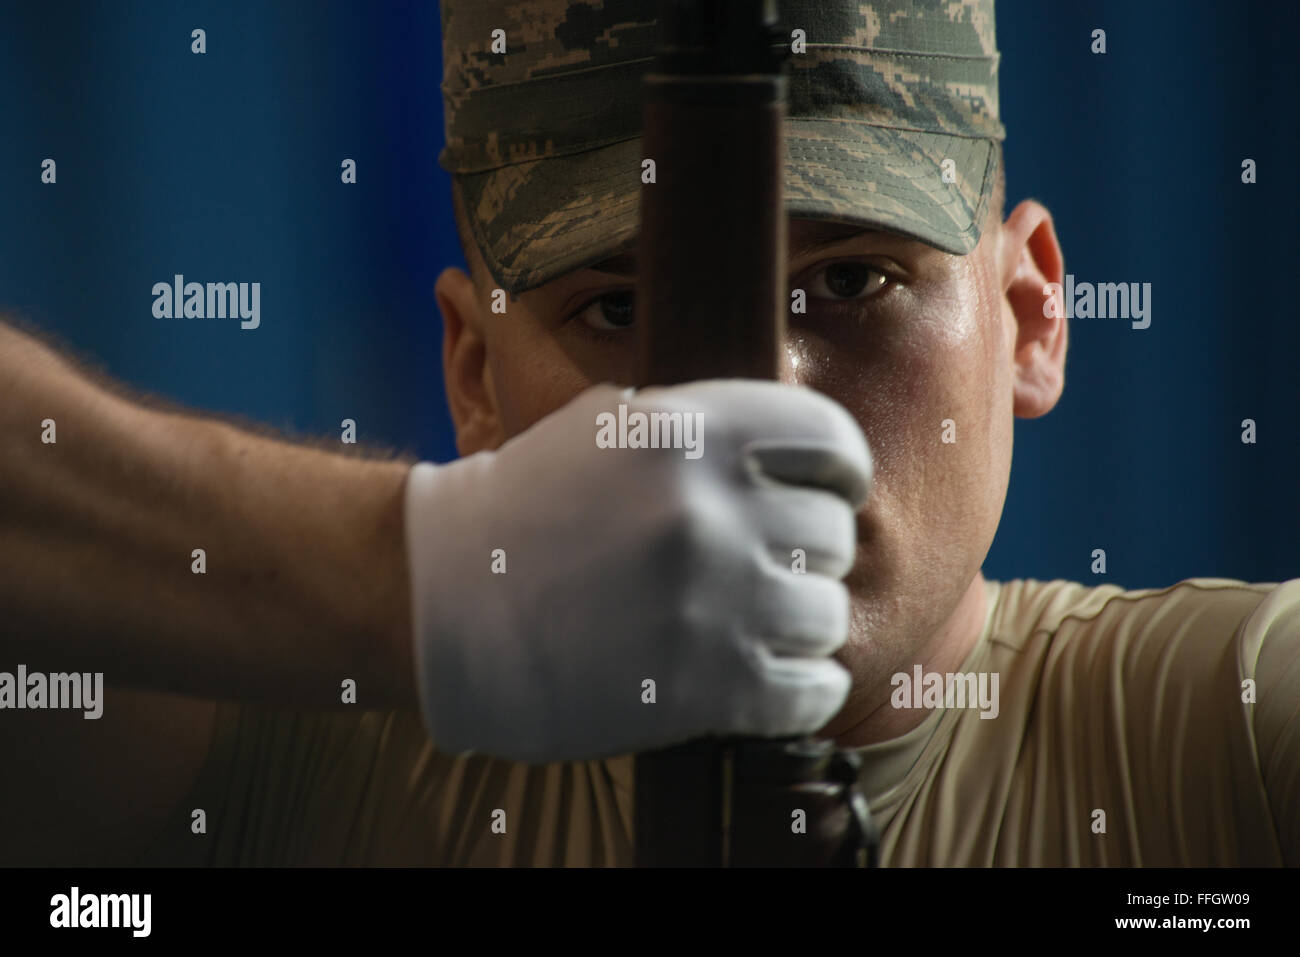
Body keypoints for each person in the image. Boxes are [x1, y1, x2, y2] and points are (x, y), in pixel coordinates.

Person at [2, 0, 1296, 866]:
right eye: (618, 306)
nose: (764, 390)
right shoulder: (303, 758)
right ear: (475, 374)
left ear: (1031, 318)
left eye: (852, 282)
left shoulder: (1224, 730)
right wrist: (417, 582)